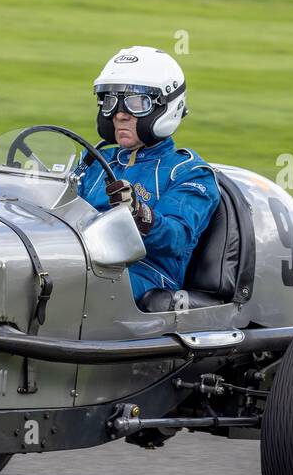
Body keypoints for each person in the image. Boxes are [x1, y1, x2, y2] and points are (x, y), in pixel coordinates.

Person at [79, 46, 219, 304]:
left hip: (146, 274)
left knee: (74, 285)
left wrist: (138, 213)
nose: (119, 114)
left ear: (166, 107)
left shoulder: (189, 173)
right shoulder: (95, 159)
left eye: (136, 103)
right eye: (110, 101)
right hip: (81, 259)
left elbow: (176, 238)